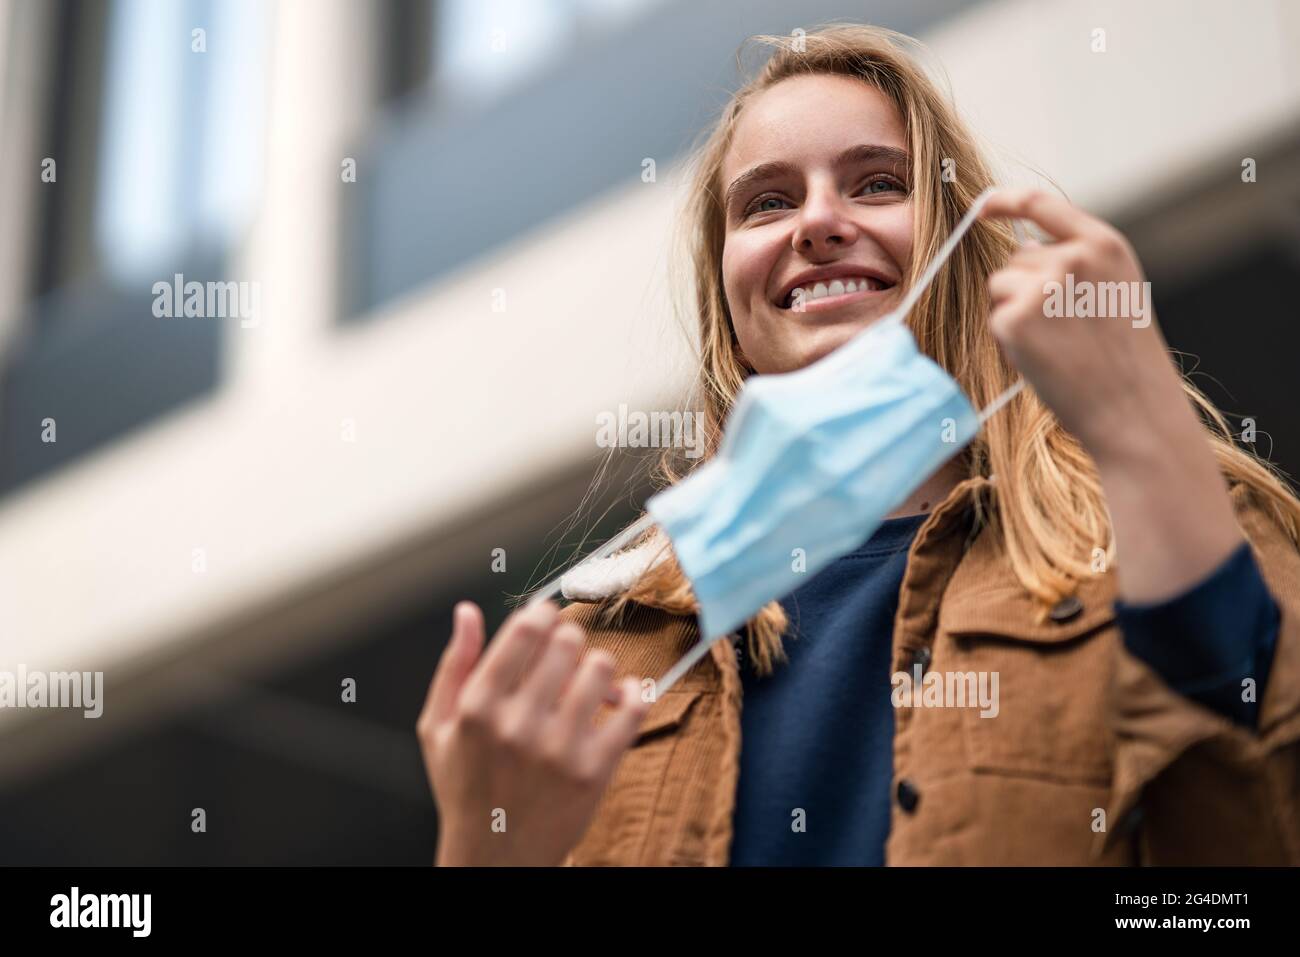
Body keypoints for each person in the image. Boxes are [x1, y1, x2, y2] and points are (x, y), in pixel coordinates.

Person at [417, 24, 1300, 866]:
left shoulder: (1175, 523)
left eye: (876, 183)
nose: (818, 222)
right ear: (723, 283)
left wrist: (1149, 443)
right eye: (767, 202)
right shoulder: (602, 648)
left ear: (957, 238)